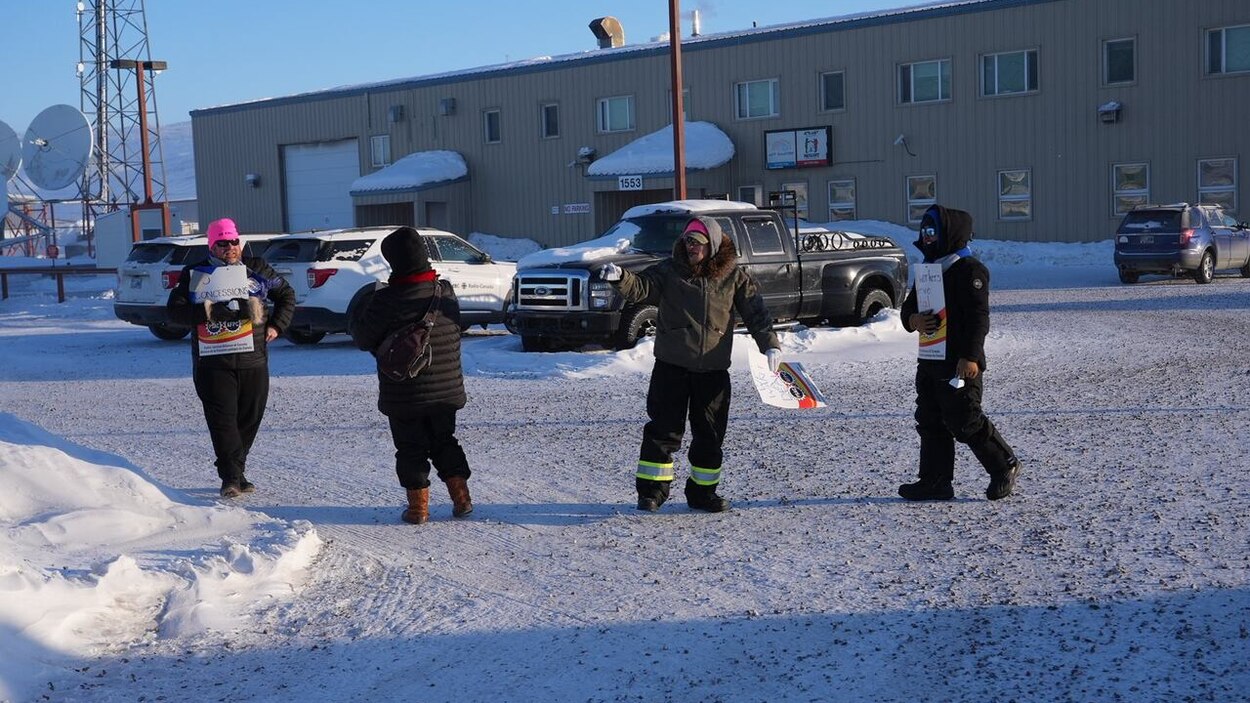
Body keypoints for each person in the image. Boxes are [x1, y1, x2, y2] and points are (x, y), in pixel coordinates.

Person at [601, 216, 783, 513]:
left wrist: (770, 345)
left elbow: (757, 313)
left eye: (696, 243)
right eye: (687, 241)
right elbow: (642, 288)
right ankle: (651, 493)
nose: (690, 247)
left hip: (712, 372)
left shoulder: (733, 277)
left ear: (711, 245)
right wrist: (621, 277)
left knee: (710, 436)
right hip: (671, 367)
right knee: (663, 432)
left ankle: (703, 493)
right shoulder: (670, 271)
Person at [349, 226, 473, 524]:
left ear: (393, 261)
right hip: (445, 389)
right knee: (445, 440)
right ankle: (462, 499)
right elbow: (456, 328)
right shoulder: (445, 292)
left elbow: (364, 338)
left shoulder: (387, 299)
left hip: (404, 389)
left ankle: (418, 509)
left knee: (410, 446)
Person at [899, 204, 1021, 501]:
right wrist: (914, 320)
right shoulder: (929, 269)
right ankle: (936, 481)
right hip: (930, 357)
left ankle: (1004, 465)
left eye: (933, 231)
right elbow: (907, 309)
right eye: (924, 231)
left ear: (949, 233)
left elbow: (979, 318)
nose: (927, 237)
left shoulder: (969, 270)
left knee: (964, 420)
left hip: (959, 362)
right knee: (930, 419)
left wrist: (971, 357)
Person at [167, 217, 295, 497]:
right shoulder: (196, 273)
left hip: (253, 359)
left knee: (249, 419)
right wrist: (209, 313)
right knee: (223, 421)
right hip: (213, 362)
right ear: (211, 246)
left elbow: (286, 295)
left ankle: (236, 469)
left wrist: (276, 326)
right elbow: (174, 313)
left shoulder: (257, 269)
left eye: (233, 241)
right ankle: (231, 478)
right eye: (222, 243)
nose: (229, 247)